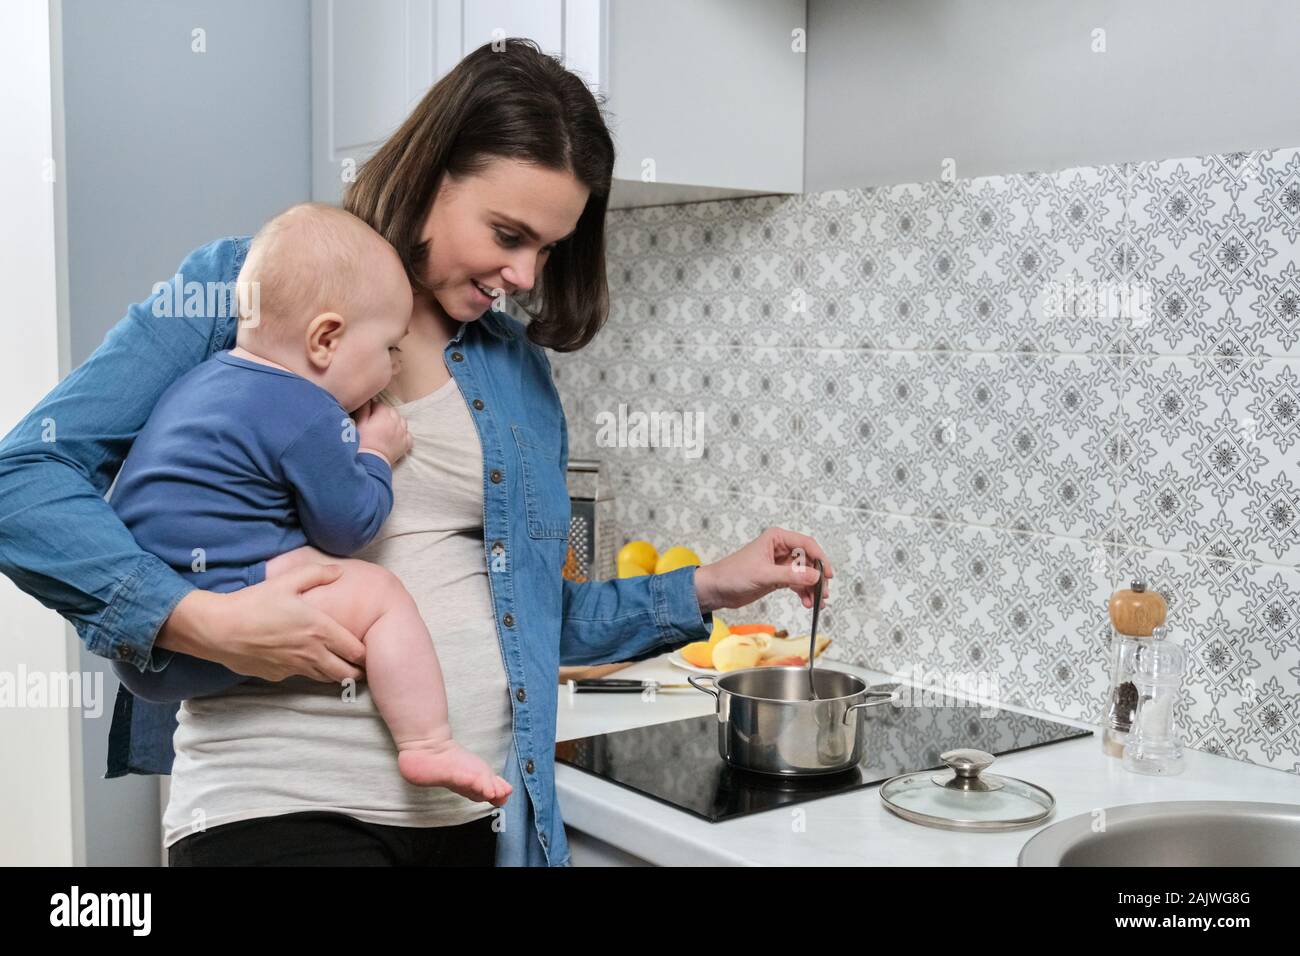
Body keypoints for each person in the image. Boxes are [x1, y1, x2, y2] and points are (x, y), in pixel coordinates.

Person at [0, 39, 832, 866]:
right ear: (429, 173)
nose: (525, 273)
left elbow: (527, 621)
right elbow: (25, 477)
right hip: (280, 811)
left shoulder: (515, 374)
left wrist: (711, 584)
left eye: (548, 247)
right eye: (508, 233)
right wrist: (197, 619)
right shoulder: (255, 288)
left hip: (466, 822)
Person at [108, 201, 512, 806]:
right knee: (380, 597)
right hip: (224, 605)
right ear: (325, 339)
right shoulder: (306, 411)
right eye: (388, 350)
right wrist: (374, 456)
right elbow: (349, 527)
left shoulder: (202, 379)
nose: (393, 368)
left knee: (299, 561)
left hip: (150, 647)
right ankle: (427, 743)